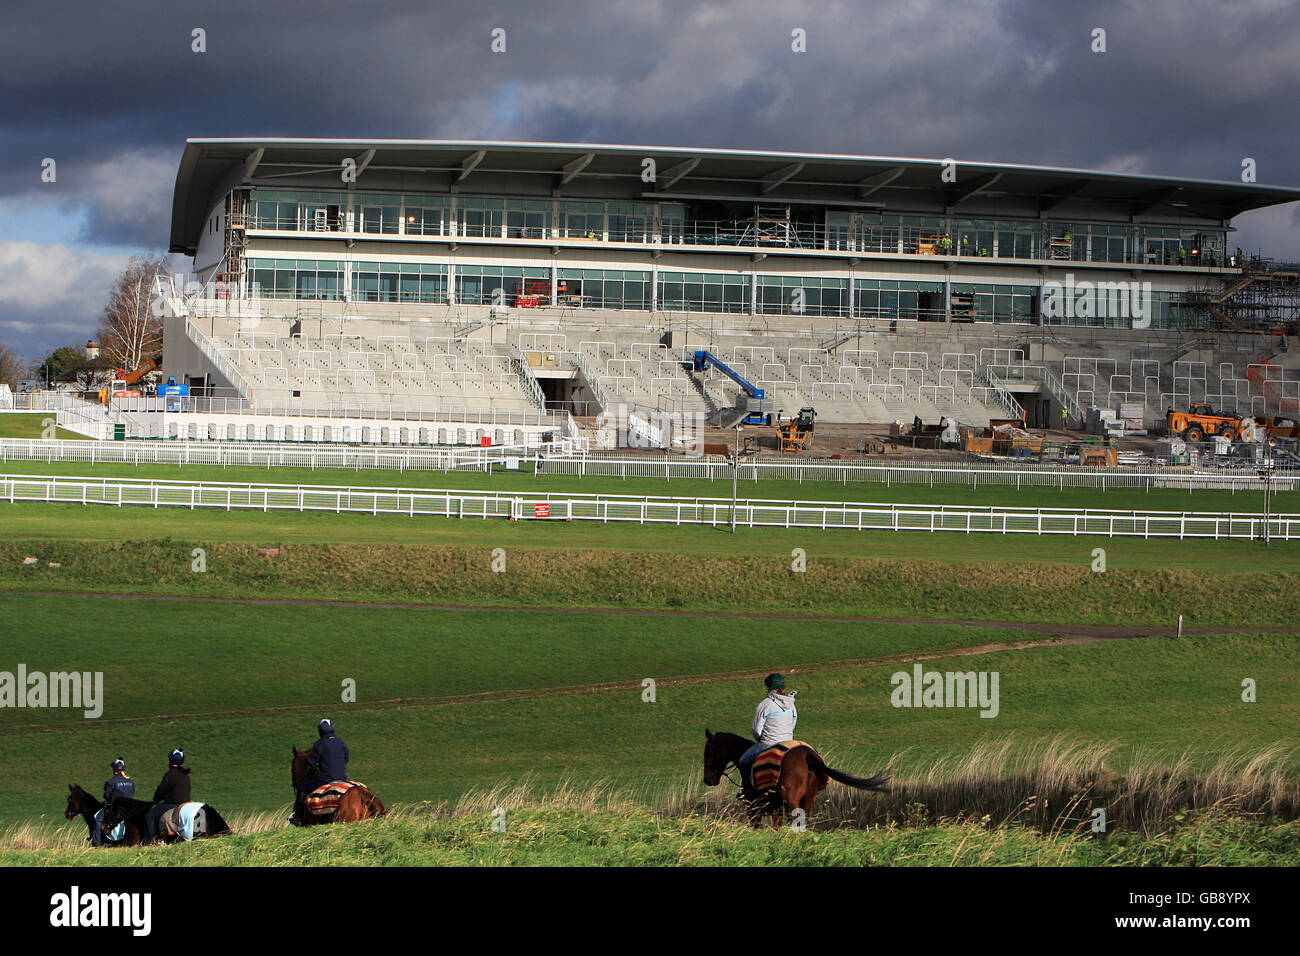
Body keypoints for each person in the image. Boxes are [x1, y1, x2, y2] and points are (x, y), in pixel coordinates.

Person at [737, 673, 798, 787]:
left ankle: (747, 789)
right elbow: (793, 724)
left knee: (743, 761)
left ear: (769, 688)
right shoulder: (791, 705)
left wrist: (760, 740)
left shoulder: (765, 705)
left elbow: (756, 729)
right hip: (788, 744)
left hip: (767, 744)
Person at [291, 719, 350, 825]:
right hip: (342, 779)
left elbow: (310, 762)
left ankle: (298, 816)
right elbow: (346, 759)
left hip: (325, 779)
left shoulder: (320, 744)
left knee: (302, 789)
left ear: (320, 731)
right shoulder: (341, 743)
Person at [142, 750, 191, 845]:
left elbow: (161, 791)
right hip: (186, 803)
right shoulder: (186, 774)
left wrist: (156, 799)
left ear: (170, 760)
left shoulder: (170, 774)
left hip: (173, 804)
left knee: (150, 816)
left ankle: (149, 842)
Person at [93, 758, 134, 845]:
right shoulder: (130, 781)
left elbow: (107, 796)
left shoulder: (111, 782)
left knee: (98, 818)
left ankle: (97, 842)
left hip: (117, 808)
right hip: (130, 807)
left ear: (115, 770)